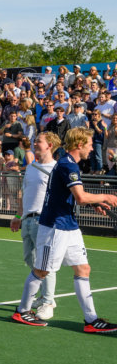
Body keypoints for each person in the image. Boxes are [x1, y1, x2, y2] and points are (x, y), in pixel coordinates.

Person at [12, 127, 117, 332]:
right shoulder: (67, 165)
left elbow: (72, 195)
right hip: (55, 227)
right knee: (42, 270)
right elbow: (80, 196)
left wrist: (92, 203)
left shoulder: (68, 165)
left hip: (68, 225)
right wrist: (105, 197)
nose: (90, 148)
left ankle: (91, 320)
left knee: (83, 269)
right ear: (79, 144)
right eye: (88, 144)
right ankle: (22, 310)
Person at [9, 132, 59, 320]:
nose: (35, 143)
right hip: (27, 220)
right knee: (31, 260)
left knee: (45, 263)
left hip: (44, 220)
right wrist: (18, 215)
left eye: (39, 141)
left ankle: (48, 301)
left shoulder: (56, 168)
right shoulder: (31, 167)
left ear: (50, 145)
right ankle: (44, 297)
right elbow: (24, 193)